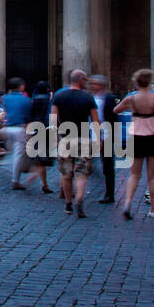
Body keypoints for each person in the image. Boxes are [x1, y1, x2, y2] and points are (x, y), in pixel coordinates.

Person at [114, 69, 154, 219]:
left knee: (134, 174)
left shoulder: (132, 98)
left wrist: (130, 109)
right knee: (152, 176)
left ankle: (127, 203)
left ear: (137, 82)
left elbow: (115, 110)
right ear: (150, 82)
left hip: (137, 135)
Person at [50, 70, 99, 215]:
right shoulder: (88, 97)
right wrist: (98, 139)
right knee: (81, 173)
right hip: (83, 138)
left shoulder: (59, 96)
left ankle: (68, 204)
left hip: (65, 138)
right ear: (81, 80)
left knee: (66, 173)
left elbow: (53, 120)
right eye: (86, 80)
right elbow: (95, 120)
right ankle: (79, 199)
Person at [87, 74, 118, 204]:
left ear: (101, 85)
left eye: (94, 83)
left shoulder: (110, 98)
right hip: (89, 134)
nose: (92, 85)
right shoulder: (88, 98)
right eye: (91, 83)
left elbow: (114, 117)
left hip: (106, 135)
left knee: (108, 165)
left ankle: (109, 194)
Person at [22, 81, 55, 194]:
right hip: (46, 130)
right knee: (42, 160)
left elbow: (29, 116)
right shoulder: (49, 101)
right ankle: (29, 181)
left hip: (35, 129)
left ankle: (45, 185)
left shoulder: (33, 100)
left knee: (40, 159)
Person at [0, 77, 31, 189]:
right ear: (21, 86)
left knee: (12, 151)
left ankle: (8, 165)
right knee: (18, 154)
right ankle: (15, 180)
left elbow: (5, 111)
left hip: (7, 128)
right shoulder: (25, 99)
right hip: (19, 128)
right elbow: (27, 116)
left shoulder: (5, 98)